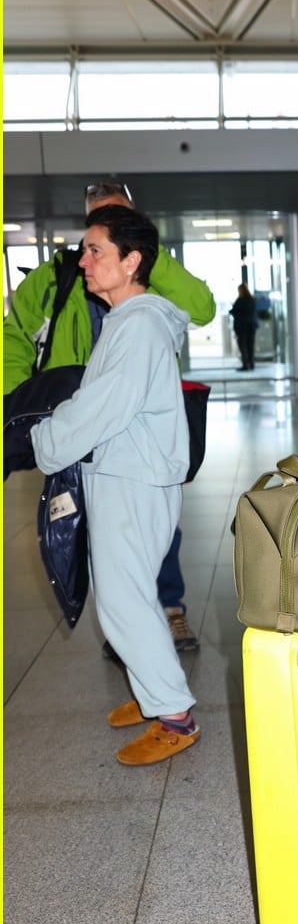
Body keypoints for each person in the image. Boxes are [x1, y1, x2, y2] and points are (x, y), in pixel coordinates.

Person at [4, 181, 216, 653]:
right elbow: (14, 332)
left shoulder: (146, 279)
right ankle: (129, 631)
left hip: (133, 434)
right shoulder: (61, 275)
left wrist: (147, 260)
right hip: (80, 427)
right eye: (98, 223)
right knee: (95, 536)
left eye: (119, 219)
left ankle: (167, 611)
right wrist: (19, 398)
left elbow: (202, 308)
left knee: (150, 533)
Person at [30, 206, 200, 766]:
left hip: (134, 477)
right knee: (127, 594)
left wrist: (42, 440)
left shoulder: (140, 326)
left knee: (125, 599)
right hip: (127, 473)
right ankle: (155, 694)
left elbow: (101, 409)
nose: (83, 261)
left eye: (95, 250)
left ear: (131, 262)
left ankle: (174, 716)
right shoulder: (127, 322)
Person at [230, 281, 259, 370]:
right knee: (250, 346)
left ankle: (246, 365)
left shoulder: (240, 300)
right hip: (251, 326)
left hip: (242, 327)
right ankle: (251, 364)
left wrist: (232, 311)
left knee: (243, 346)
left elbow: (234, 311)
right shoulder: (252, 300)